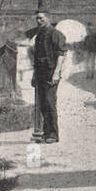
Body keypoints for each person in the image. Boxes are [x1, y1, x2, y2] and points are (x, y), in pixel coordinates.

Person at [31, 10, 68, 144]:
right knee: (42, 104)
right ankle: (46, 133)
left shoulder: (56, 34)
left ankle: (53, 134)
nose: (38, 21)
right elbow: (36, 57)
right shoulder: (39, 36)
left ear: (48, 18)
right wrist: (35, 75)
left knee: (49, 102)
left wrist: (56, 72)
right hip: (40, 72)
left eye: (41, 18)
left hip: (51, 71)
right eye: (37, 19)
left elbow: (61, 55)